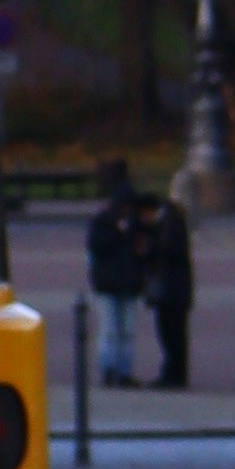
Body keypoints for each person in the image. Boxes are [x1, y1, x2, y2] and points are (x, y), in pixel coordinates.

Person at [84, 162, 147, 389]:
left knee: (126, 331)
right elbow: (96, 247)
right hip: (110, 284)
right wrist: (119, 235)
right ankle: (109, 369)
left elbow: (142, 250)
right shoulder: (102, 221)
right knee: (110, 330)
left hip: (127, 284)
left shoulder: (134, 223)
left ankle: (123, 371)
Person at [146, 181, 197, 392]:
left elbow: (169, 250)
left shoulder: (170, 221)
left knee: (172, 332)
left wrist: (151, 246)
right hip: (176, 288)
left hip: (172, 290)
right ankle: (174, 372)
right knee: (172, 333)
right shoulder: (173, 219)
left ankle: (174, 373)